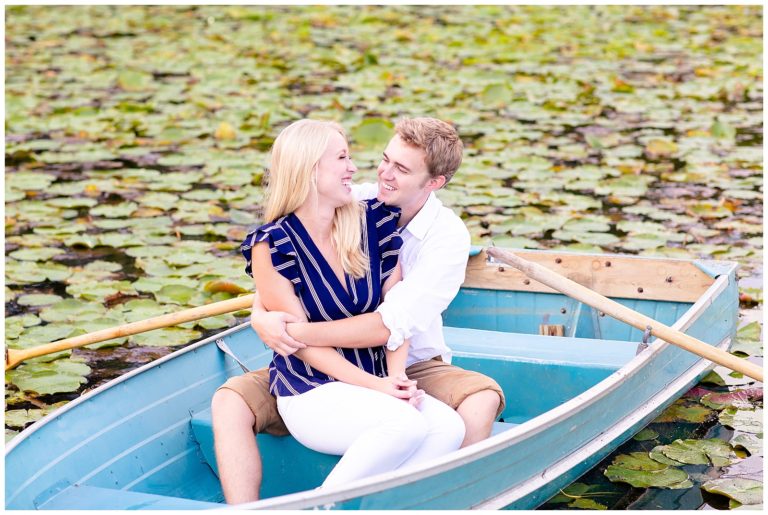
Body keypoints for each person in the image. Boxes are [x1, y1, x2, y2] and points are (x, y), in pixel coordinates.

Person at [212, 119, 465, 504]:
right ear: (309, 168)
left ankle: (381, 506)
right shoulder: (273, 244)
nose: (362, 170)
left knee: (447, 428)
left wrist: (394, 380)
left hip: (380, 370)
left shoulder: (373, 219)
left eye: (401, 168)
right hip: (312, 386)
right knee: (404, 426)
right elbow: (299, 345)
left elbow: (394, 316)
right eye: (343, 157)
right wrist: (260, 315)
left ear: (433, 182)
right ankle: (321, 506)